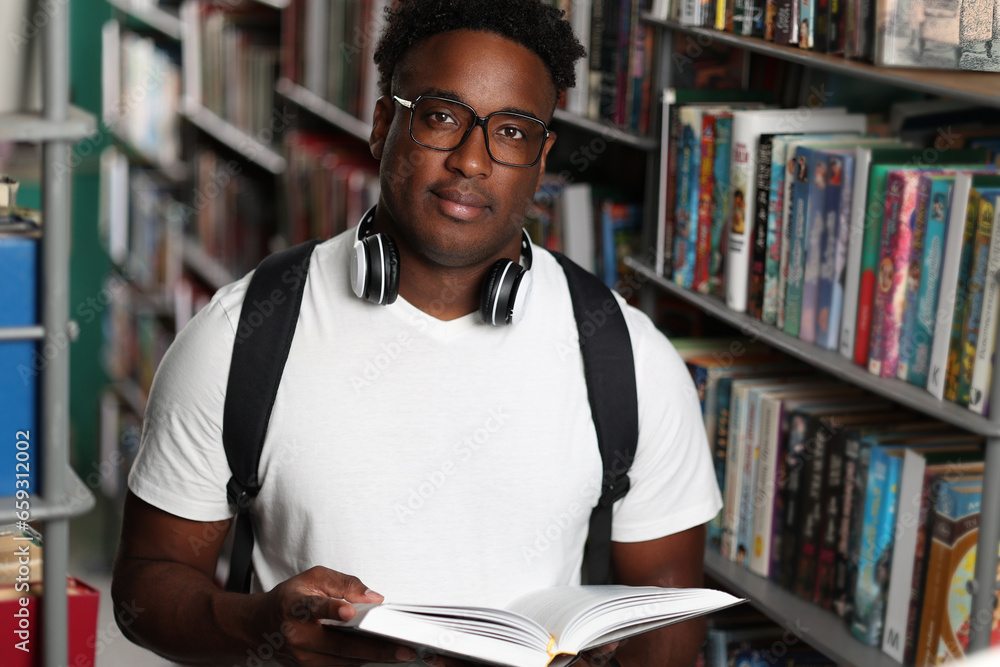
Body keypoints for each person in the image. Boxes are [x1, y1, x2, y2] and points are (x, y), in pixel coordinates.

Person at [110, 1, 722, 665]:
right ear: (382, 125)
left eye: (512, 132)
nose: (471, 160)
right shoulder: (240, 337)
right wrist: (262, 628)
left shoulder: (631, 360)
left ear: (541, 160)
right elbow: (145, 583)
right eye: (440, 117)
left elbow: (667, 611)